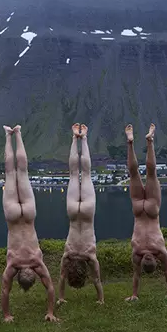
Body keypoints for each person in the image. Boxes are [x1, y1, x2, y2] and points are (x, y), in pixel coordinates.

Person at [0, 125, 59, 323]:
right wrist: (6, 314)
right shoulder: (13, 264)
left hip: (29, 214)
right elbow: (5, 290)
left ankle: (17, 133)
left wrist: (51, 311)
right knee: (11, 172)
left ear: (34, 273)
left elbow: (51, 288)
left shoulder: (37, 262)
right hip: (13, 217)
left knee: (22, 172)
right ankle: (9, 135)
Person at [124, 123, 167, 302]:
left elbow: (136, 275)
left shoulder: (138, 253)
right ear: (155, 262)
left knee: (137, 174)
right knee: (149, 173)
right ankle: (148, 141)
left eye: (144, 260)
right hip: (148, 210)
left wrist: (134, 294)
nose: (147, 257)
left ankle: (131, 142)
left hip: (140, 210)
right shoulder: (158, 251)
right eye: (150, 260)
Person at [57, 123, 104, 305]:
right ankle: (76, 138)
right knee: (74, 174)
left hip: (88, 213)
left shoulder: (90, 256)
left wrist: (101, 299)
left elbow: (97, 280)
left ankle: (83, 138)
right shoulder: (67, 254)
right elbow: (61, 278)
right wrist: (60, 297)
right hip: (73, 213)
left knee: (85, 174)